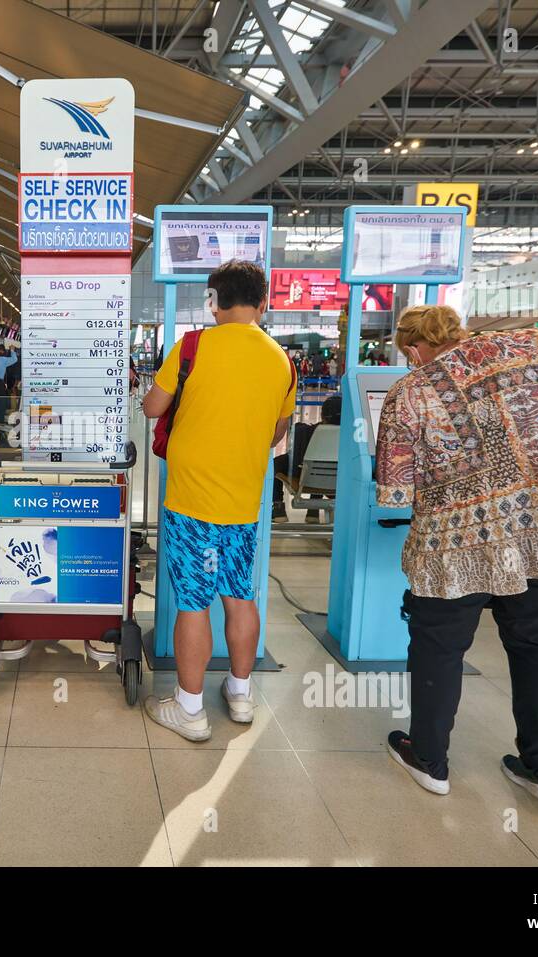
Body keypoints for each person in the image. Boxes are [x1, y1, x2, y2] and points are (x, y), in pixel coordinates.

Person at [376, 304, 538, 803]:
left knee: (439, 646)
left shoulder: (411, 389)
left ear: (413, 348)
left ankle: (430, 760)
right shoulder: (531, 344)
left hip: (456, 541)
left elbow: (395, 490)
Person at [141, 260, 296, 741]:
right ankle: (240, 693)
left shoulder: (192, 347)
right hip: (243, 501)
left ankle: (189, 709)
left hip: (192, 499)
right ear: (263, 302)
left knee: (193, 603)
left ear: (214, 302)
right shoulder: (281, 360)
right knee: (240, 595)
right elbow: (277, 431)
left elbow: (152, 407)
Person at [273, 393, 340, 522]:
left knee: (277, 463)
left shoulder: (305, 432)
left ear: (322, 415)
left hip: (306, 482)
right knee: (322, 466)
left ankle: (278, 508)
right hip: (338, 484)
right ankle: (313, 512)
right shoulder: (352, 436)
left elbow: (294, 462)